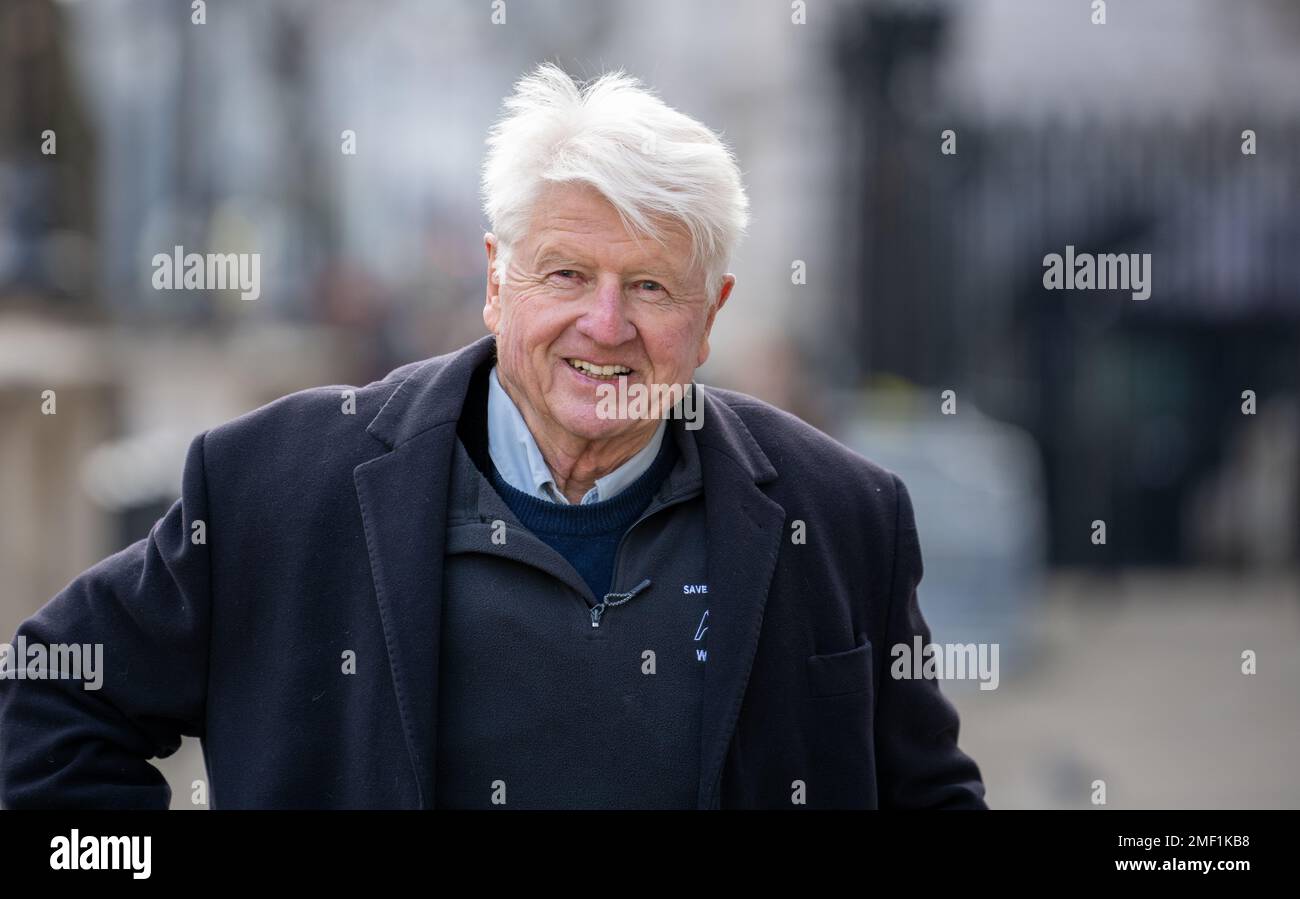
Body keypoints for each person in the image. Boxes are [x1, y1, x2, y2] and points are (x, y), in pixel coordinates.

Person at [0, 63, 986, 809]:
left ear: (711, 309)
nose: (606, 324)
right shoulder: (275, 487)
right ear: (494, 279)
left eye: (649, 285)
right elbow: (45, 699)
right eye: (564, 274)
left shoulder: (841, 513)